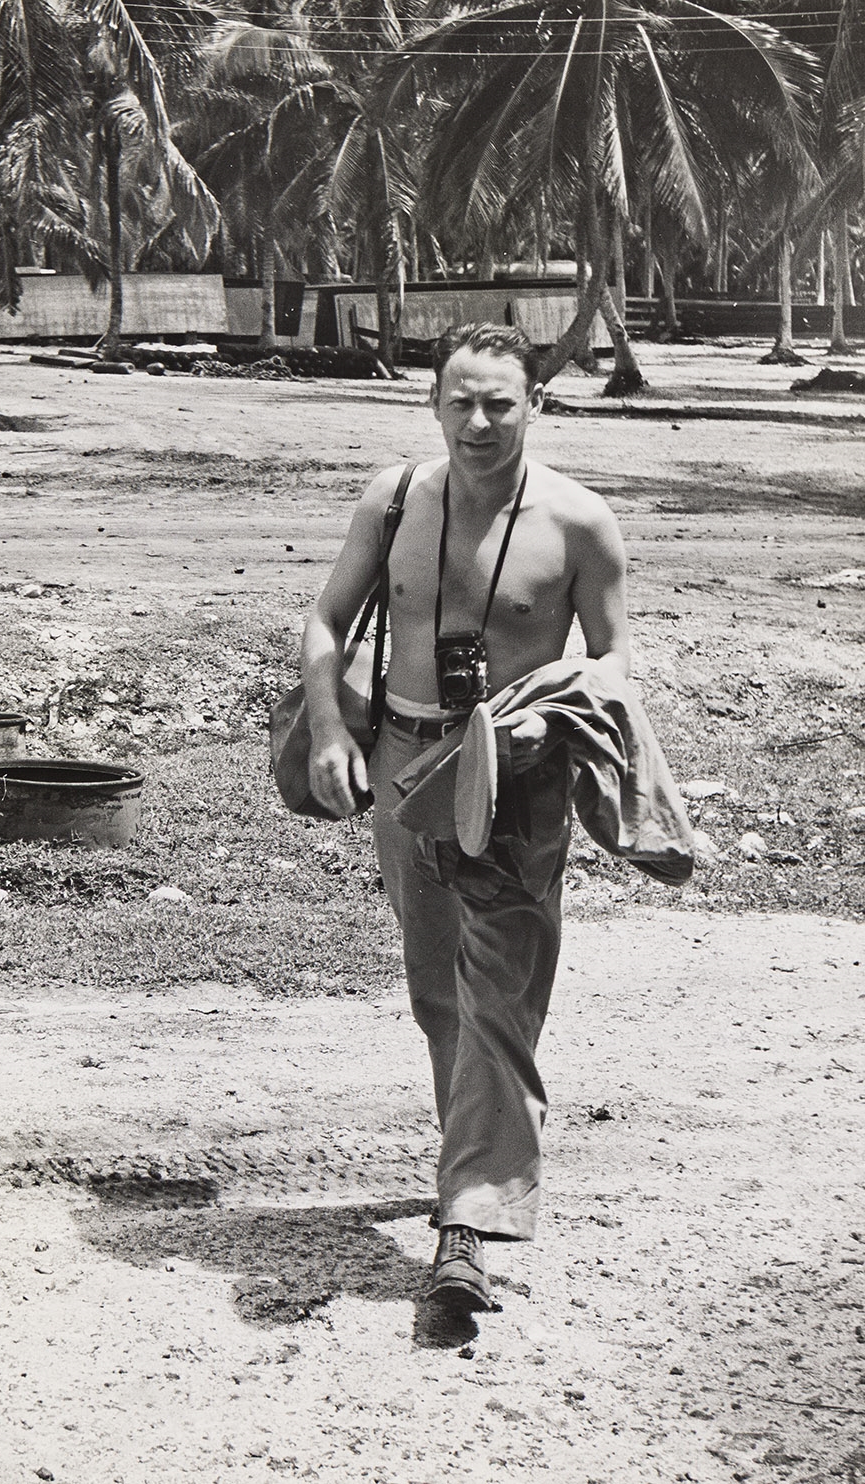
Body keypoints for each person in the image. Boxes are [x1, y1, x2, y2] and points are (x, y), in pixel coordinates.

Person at [299, 322, 632, 1315]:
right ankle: (471, 1171)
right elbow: (326, 620)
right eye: (462, 402)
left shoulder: (579, 521)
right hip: (405, 767)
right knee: (438, 991)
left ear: (537, 405)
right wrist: (330, 730)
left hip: (517, 784)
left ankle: (467, 1223)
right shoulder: (395, 499)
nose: (479, 423)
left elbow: (616, 657)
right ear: (434, 403)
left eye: (500, 403)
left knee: (499, 995)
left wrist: (551, 713)